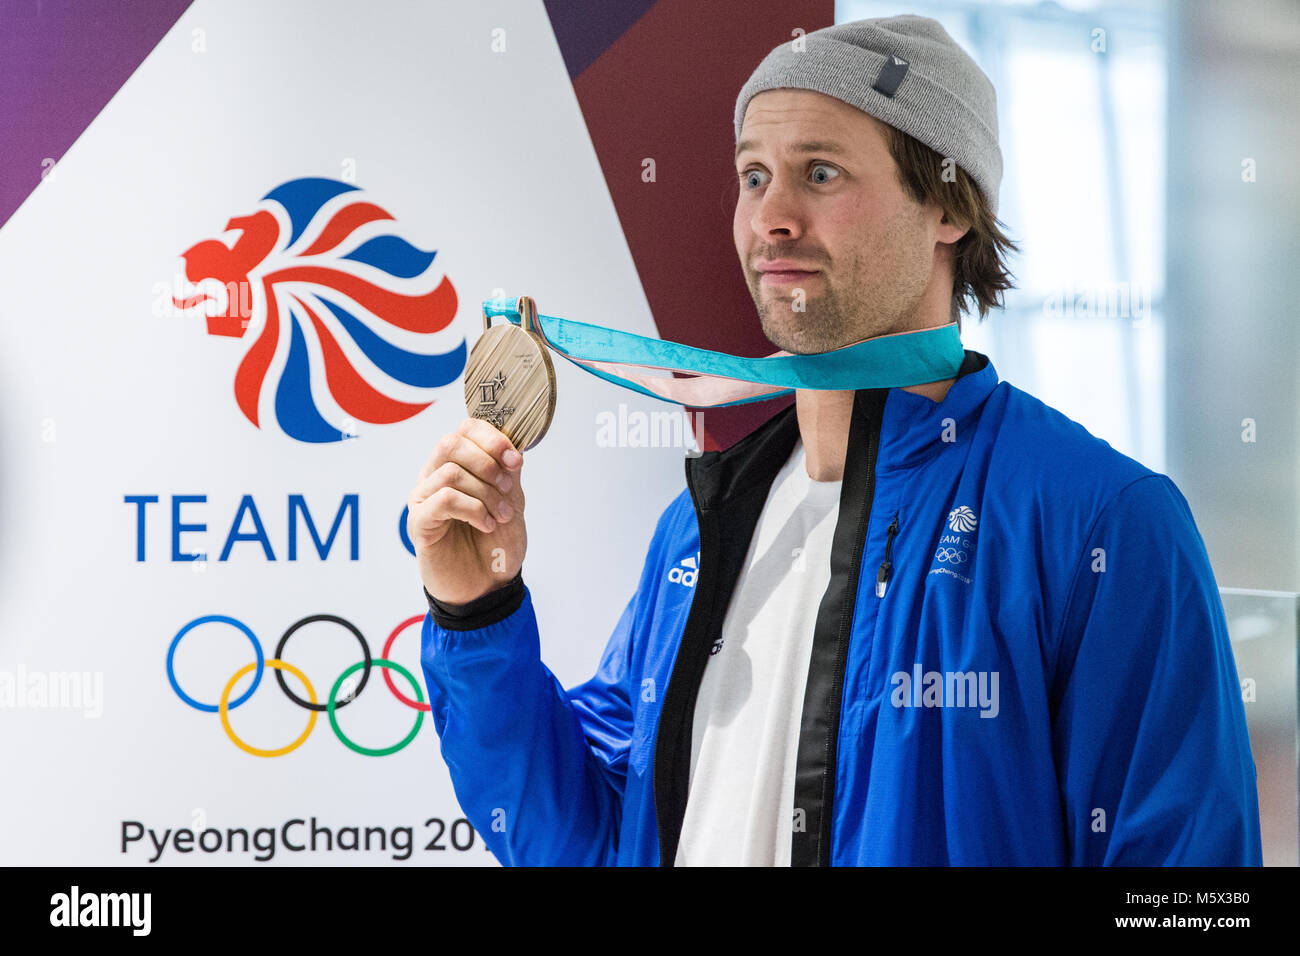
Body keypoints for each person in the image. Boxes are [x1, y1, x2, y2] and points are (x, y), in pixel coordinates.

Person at [407, 15, 1262, 866]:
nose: (770, 217)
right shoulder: (700, 527)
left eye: (820, 173)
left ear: (948, 206)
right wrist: (476, 611)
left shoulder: (1099, 523)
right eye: (753, 175)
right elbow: (593, 841)